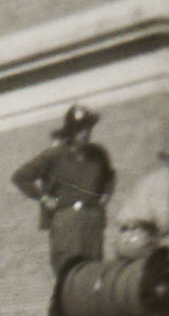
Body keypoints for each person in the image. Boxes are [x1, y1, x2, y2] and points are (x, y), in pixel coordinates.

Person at [11, 104, 115, 279]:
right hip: (67, 220)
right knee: (70, 276)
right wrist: (43, 198)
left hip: (93, 220)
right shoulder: (54, 155)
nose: (85, 133)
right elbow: (21, 177)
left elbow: (110, 176)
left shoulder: (98, 154)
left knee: (95, 276)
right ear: (70, 132)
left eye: (88, 127)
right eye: (79, 129)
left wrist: (105, 196)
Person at [111, 143, 169, 259]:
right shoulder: (164, 183)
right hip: (138, 239)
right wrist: (167, 231)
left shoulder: (155, 178)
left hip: (124, 237)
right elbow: (163, 220)